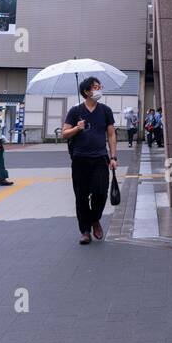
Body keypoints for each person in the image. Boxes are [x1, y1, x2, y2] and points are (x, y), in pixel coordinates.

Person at [62, 77, 118, 244]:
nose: (99, 89)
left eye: (100, 86)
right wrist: (77, 128)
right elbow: (64, 133)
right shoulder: (75, 111)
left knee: (100, 193)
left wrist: (113, 157)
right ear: (86, 91)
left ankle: (95, 219)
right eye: (95, 87)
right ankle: (85, 230)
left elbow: (111, 134)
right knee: (81, 196)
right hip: (80, 159)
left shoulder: (106, 110)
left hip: (101, 158)